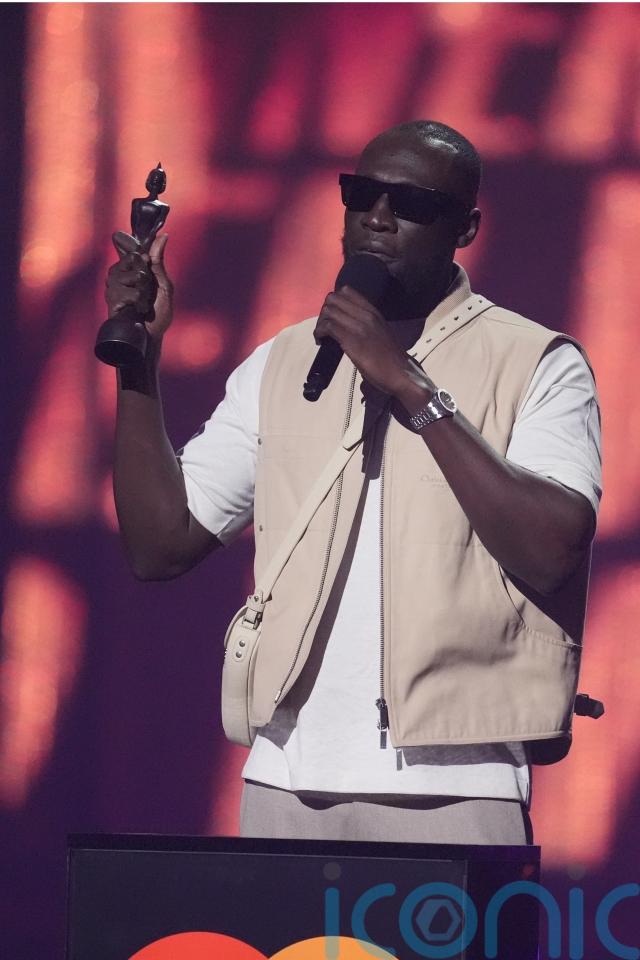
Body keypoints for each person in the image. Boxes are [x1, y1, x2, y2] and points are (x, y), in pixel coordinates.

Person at [106, 120, 601, 847]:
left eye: (412, 204)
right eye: (362, 194)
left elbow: (552, 550)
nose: (378, 217)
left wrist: (410, 387)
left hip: (455, 787)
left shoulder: (537, 363)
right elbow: (160, 543)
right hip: (285, 781)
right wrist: (139, 362)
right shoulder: (282, 362)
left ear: (465, 229)